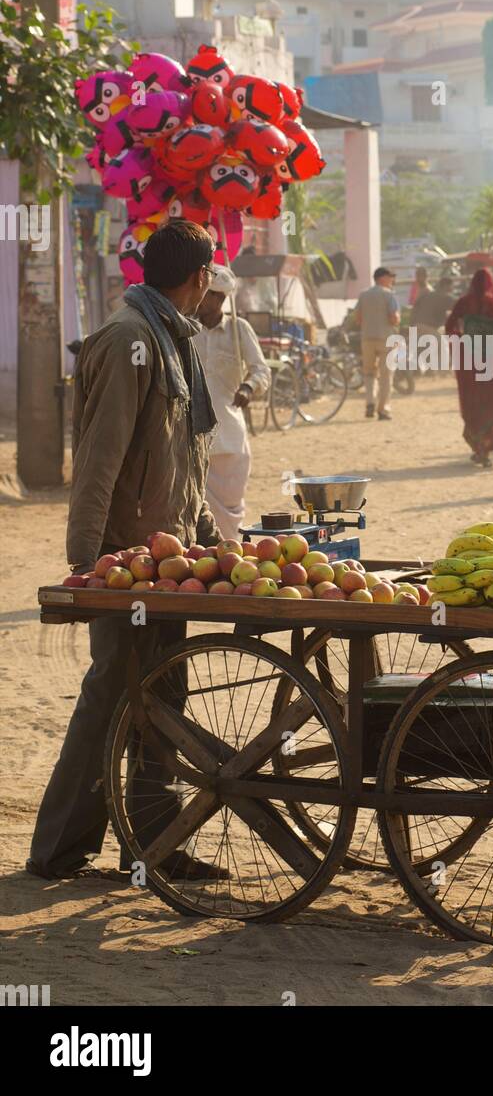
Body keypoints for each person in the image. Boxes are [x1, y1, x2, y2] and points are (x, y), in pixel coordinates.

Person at [28, 220, 226, 882]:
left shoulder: (172, 339)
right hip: (124, 559)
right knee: (111, 695)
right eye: (210, 280)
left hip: (170, 558)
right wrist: (87, 559)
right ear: (197, 278)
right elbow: (99, 457)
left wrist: (207, 534)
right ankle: (58, 848)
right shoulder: (130, 340)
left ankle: (156, 844)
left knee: (165, 696)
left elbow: (180, 456)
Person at [195, 265, 271, 537]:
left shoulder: (239, 329)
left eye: (204, 294)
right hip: (191, 437)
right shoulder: (186, 329)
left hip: (229, 436)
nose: (198, 298)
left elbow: (261, 370)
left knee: (229, 513)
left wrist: (249, 388)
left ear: (219, 298)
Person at [446, 267, 493, 468]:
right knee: (491, 401)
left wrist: (461, 342)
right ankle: (485, 447)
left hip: (470, 362)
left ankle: (479, 448)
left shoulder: (464, 303)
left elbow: (450, 326)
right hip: (492, 362)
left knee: (473, 401)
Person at [350, 265, 400, 419]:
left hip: (367, 339)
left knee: (369, 373)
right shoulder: (389, 295)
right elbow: (394, 318)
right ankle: (383, 409)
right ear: (382, 278)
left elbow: (357, 318)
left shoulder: (363, 295)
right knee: (386, 375)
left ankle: (370, 402)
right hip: (386, 338)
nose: (392, 280)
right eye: (390, 277)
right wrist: (395, 321)